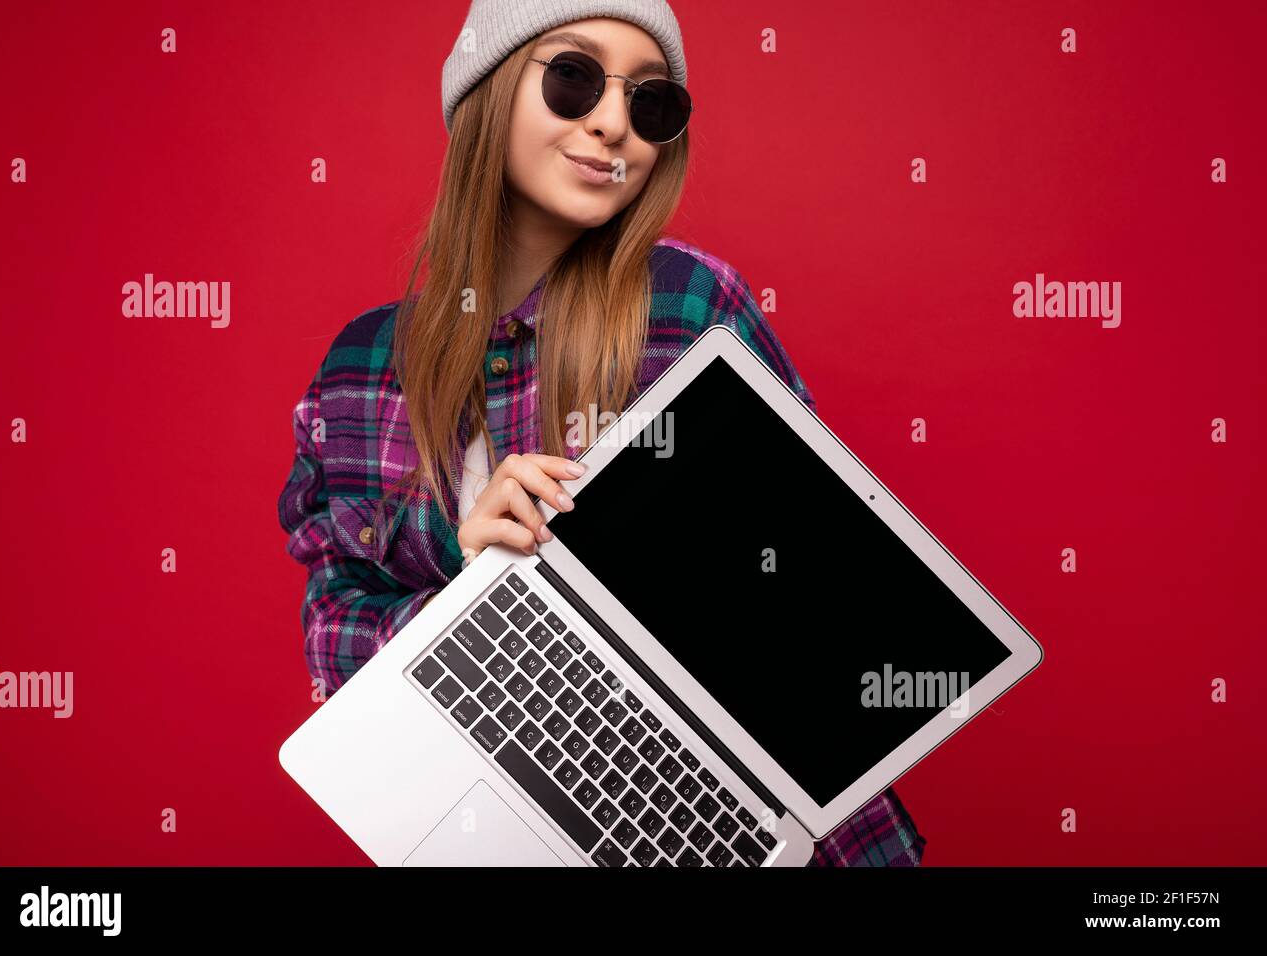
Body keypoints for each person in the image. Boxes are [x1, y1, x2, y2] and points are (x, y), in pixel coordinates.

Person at [277, 0, 926, 867]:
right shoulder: (360, 371)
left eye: (650, 103)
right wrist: (476, 587)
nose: (615, 123)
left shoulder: (692, 308)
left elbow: (826, 585)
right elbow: (334, 643)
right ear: (486, 91)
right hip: (500, 815)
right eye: (573, 78)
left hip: (725, 802)